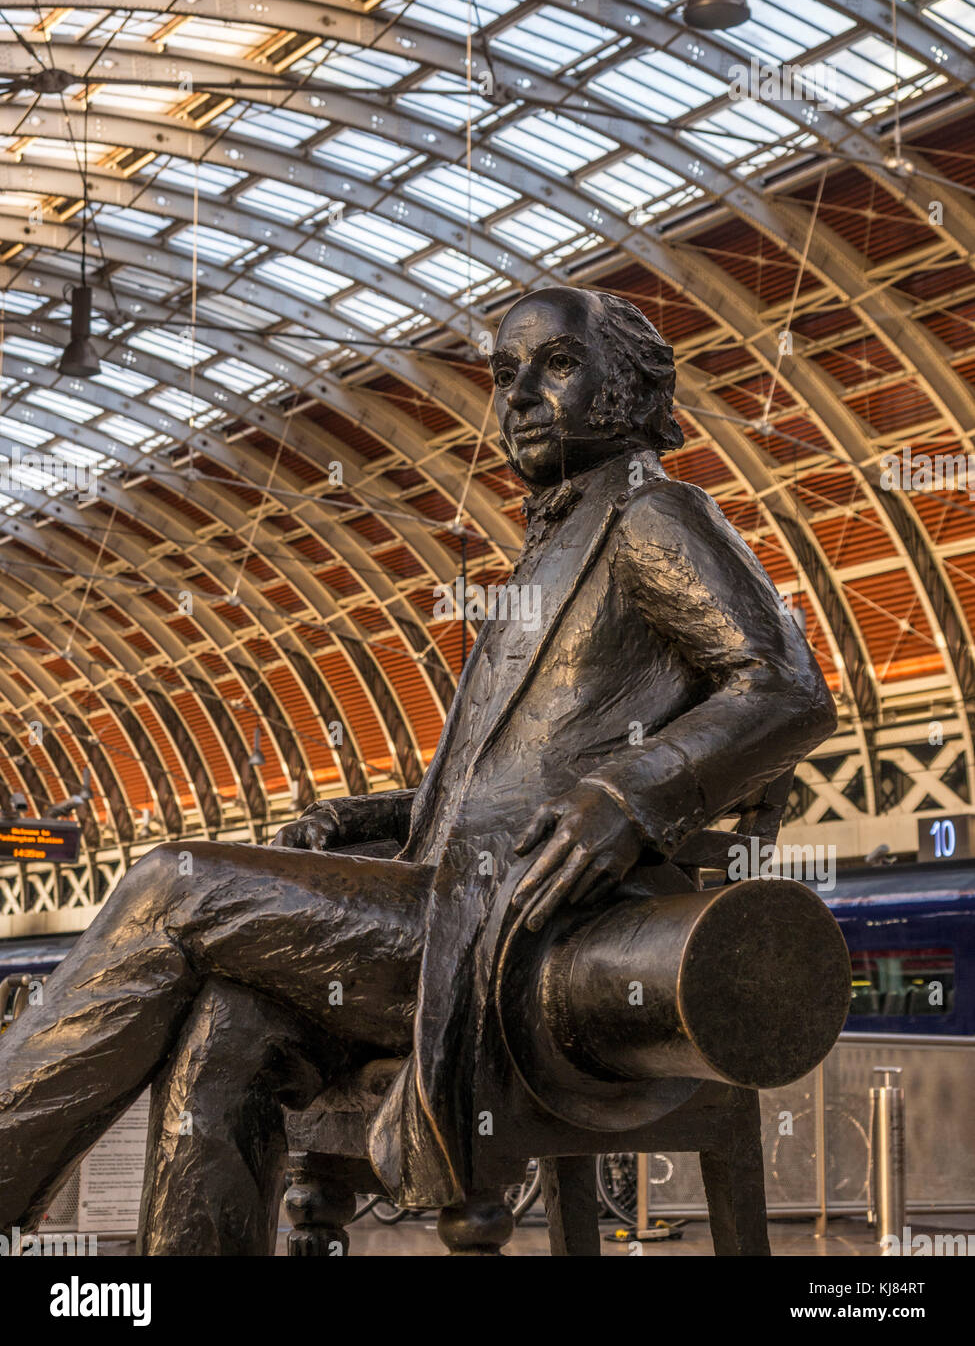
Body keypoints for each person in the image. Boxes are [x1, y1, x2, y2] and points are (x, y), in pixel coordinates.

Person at [0, 286, 836, 1252]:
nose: (518, 394)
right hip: (441, 900)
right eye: (503, 373)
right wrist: (367, 817)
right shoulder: (547, 556)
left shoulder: (654, 516)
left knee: (170, 883)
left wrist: (628, 796)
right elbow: (493, 787)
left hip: (521, 919)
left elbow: (782, 688)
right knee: (226, 1030)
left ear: (635, 389)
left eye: (556, 365)